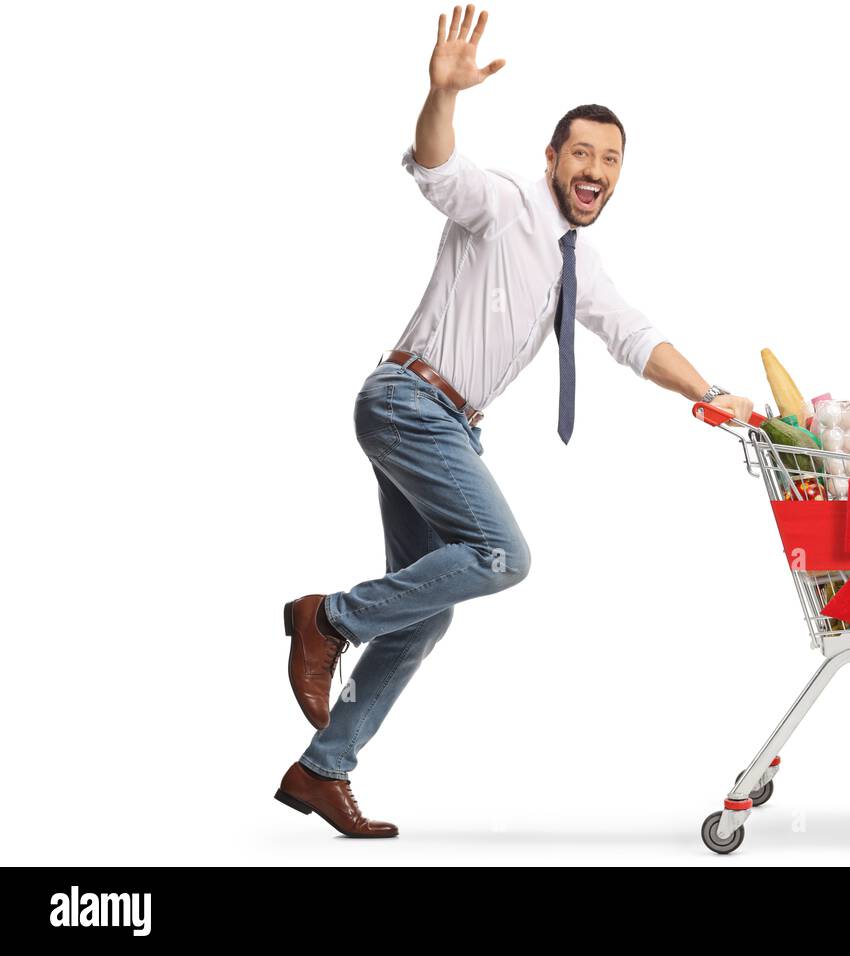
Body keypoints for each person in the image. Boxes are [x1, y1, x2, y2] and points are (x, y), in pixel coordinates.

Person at [274, 4, 755, 838]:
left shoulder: (581, 262)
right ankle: (328, 618)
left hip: (448, 426)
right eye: (582, 153)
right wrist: (442, 95)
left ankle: (323, 769)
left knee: (429, 608)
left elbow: (634, 336)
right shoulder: (503, 204)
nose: (595, 168)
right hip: (408, 402)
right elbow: (436, 166)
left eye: (611, 159)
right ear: (552, 159)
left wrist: (708, 391)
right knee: (502, 556)